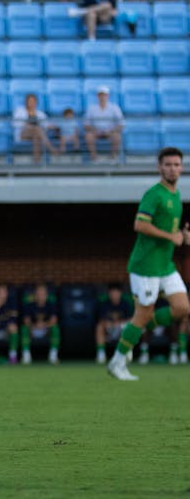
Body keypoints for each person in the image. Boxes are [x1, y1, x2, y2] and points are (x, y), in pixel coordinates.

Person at [107, 147, 190, 381]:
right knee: (143, 314)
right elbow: (140, 225)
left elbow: (172, 231)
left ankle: (133, 331)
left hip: (165, 265)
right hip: (145, 266)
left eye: (176, 164)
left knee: (183, 308)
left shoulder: (175, 195)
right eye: (168, 164)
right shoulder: (154, 194)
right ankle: (117, 363)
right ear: (159, 167)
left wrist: (182, 236)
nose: (173, 169)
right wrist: (171, 236)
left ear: (181, 168)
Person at [21, 283, 60, 365]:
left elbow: (54, 320)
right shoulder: (29, 305)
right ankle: (26, 356)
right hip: (33, 330)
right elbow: (26, 321)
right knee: (24, 329)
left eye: (42, 294)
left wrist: (44, 325)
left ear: (46, 295)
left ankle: (53, 356)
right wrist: (34, 326)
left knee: (55, 329)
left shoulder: (51, 304)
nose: (40, 296)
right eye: (38, 294)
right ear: (35, 295)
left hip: (46, 330)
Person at [95, 283, 134, 364]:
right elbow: (101, 319)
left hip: (121, 329)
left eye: (117, 293)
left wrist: (119, 323)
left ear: (120, 293)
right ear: (109, 293)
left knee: (128, 328)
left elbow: (131, 319)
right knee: (99, 327)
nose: (115, 295)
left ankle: (123, 354)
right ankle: (101, 354)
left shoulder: (125, 304)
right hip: (109, 329)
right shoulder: (104, 304)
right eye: (113, 293)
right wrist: (108, 323)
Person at [84, 85, 124, 162]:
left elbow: (121, 124)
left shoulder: (114, 107)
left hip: (110, 132)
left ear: (108, 96)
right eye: (100, 95)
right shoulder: (91, 108)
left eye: (104, 95)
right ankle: (94, 158)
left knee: (117, 136)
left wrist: (111, 131)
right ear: (97, 96)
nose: (102, 97)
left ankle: (113, 157)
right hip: (96, 132)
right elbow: (86, 124)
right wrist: (95, 131)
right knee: (89, 136)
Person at [13, 93, 55, 164]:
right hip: (23, 134)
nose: (32, 103)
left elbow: (46, 124)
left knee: (36, 137)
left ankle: (36, 161)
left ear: (36, 103)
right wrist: (27, 125)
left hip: (36, 134)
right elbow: (15, 124)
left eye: (33, 101)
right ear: (26, 102)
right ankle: (51, 148)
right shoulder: (19, 111)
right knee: (36, 129)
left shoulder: (40, 113)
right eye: (30, 101)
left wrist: (53, 126)